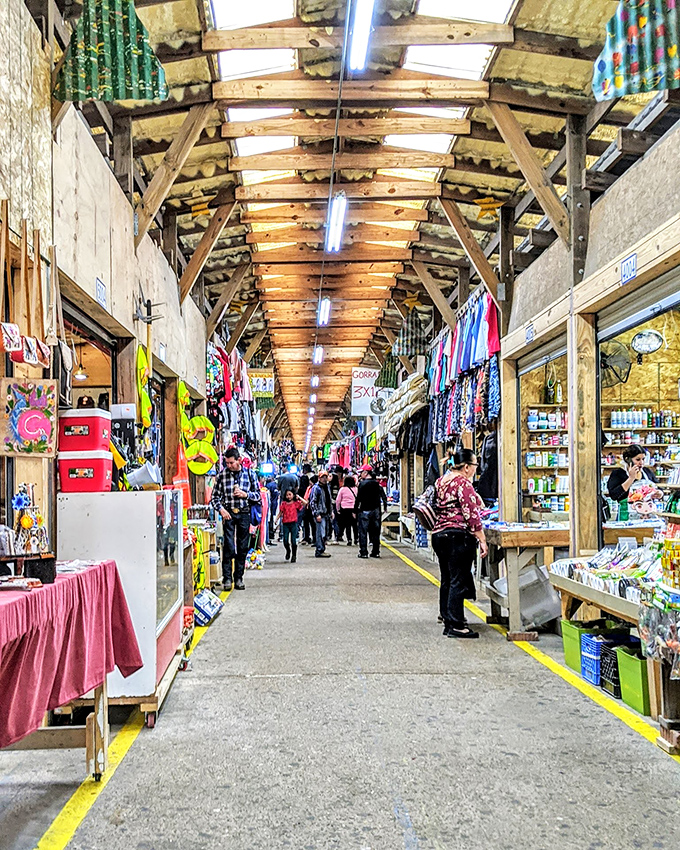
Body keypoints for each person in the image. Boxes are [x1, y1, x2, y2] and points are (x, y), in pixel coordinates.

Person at [431, 449, 487, 639]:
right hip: (457, 536)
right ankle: (457, 625)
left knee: (447, 579)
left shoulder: (441, 481)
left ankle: (448, 619)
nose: (474, 470)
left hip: (439, 535)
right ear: (466, 467)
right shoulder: (463, 483)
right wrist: (482, 539)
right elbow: (471, 514)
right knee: (458, 580)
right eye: (474, 466)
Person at [210, 447, 262, 591]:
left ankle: (239, 577)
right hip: (229, 514)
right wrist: (221, 509)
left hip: (244, 513)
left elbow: (258, 495)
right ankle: (227, 578)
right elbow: (214, 498)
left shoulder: (250, 474)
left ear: (238, 460)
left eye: (231, 462)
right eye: (226, 463)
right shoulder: (222, 476)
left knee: (242, 546)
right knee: (228, 547)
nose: (229, 465)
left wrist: (246, 495)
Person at [606, 444, 660, 517]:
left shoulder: (647, 472)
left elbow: (659, 487)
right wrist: (631, 478)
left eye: (643, 459)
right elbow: (614, 495)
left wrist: (659, 493)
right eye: (638, 460)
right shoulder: (617, 474)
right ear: (628, 459)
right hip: (627, 516)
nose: (641, 463)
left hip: (647, 515)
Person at [355, 465, 387, 559]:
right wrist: (385, 506)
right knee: (376, 532)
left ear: (366, 473)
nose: (360, 474)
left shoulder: (362, 484)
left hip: (364, 510)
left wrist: (355, 510)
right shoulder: (377, 484)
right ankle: (376, 551)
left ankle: (364, 552)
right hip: (376, 511)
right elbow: (383, 497)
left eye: (361, 472)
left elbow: (358, 498)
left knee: (363, 532)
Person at [277, 489, 307, 563]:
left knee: (294, 541)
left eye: (290, 494)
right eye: (287, 495)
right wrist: (276, 520)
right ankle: (288, 550)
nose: (288, 496)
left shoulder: (295, 503)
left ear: (293, 495)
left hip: (293, 523)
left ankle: (294, 555)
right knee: (285, 540)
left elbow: (305, 503)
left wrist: (299, 497)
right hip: (285, 524)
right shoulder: (283, 503)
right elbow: (281, 512)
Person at [309, 469, 333, 558]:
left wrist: (331, 512)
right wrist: (316, 513)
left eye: (325, 477)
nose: (324, 479)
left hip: (326, 513)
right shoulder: (316, 488)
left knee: (325, 533)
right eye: (323, 477)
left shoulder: (327, 487)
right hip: (320, 514)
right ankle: (319, 550)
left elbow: (329, 500)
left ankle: (322, 549)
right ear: (319, 478)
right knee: (320, 533)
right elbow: (313, 502)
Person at [336, 474, 358, 545]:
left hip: (345, 509)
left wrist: (338, 509)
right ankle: (356, 538)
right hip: (354, 508)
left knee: (347, 525)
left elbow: (338, 500)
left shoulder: (342, 489)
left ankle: (349, 539)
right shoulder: (356, 489)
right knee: (355, 525)